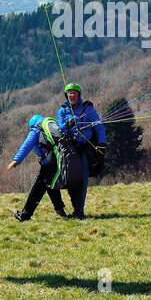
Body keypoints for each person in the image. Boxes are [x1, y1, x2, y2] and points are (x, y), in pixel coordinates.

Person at [56, 83, 106, 219]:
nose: (72, 95)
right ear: (66, 95)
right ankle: (75, 208)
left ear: (79, 95)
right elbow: (59, 128)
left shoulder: (87, 110)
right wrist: (67, 125)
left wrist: (102, 143)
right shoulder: (62, 111)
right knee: (70, 178)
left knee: (83, 178)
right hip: (68, 149)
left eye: (74, 93)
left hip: (84, 148)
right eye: (69, 93)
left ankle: (79, 211)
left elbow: (99, 126)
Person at [7, 115, 68, 222]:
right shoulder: (50, 125)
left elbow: (26, 145)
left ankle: (25, 215)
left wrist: (16, 160)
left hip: (48, 162)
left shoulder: (35, 130)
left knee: (37, 188)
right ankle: (60, 210)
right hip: (59, 159)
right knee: (50, 184)